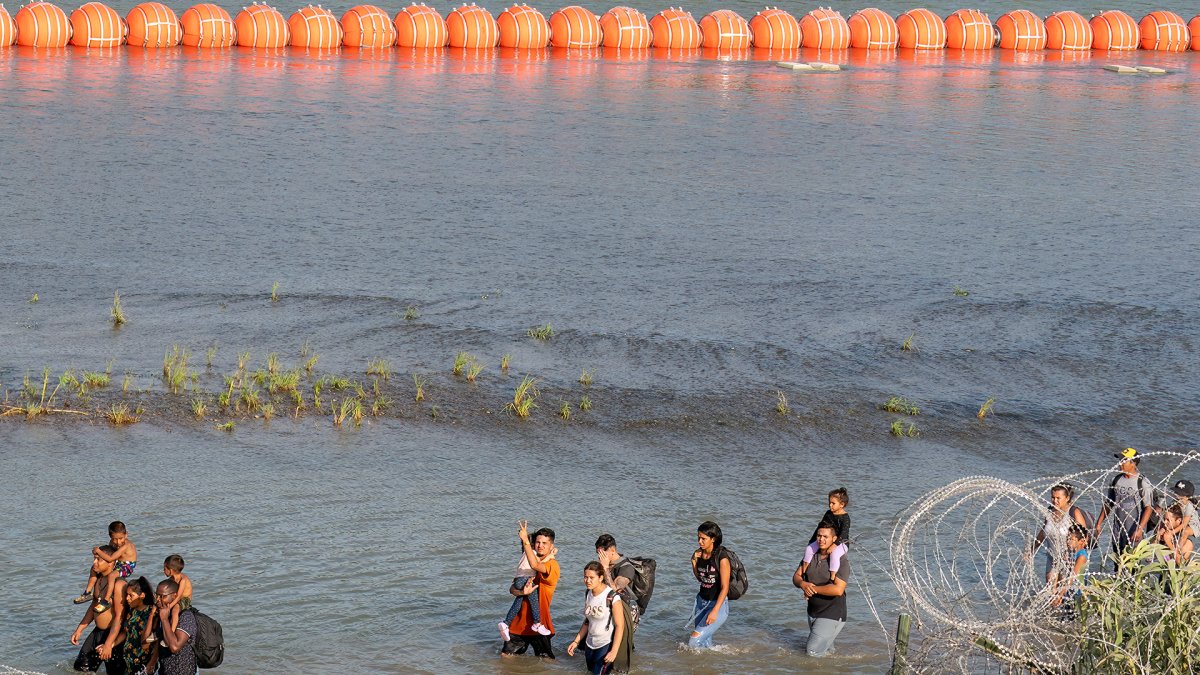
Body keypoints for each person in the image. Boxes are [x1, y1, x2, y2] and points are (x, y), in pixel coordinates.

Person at [500, 523, 560, 659]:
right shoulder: (527, 563)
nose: (540, 545)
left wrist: (525, 540)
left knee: (546, 660)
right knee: (506, 658)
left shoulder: (552, 565)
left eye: (544, 543)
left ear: (551, 546)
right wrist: (523, 593)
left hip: (539, 623)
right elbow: (512, 589)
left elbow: (536, 565)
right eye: (538, 542)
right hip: (519, 622)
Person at [794, 521, 850, 657]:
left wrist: (813, 589)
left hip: (832, 613)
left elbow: (838, 590)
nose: (821, 539)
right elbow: (796, 576)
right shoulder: (811, 555)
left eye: (825, 537)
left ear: (834, 539)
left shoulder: (840, 560)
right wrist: (803, 584)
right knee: (827, 654)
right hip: (812, 612)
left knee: (812, 652)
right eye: (819, 536)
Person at [1095, 447, 1155, 570]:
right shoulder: (1116, 480)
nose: (1120, 463)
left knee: (1132, 564)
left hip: (1134, 530)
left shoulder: (1142, 483)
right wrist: (1099, 523)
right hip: (1118, 529)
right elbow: (1108, 503)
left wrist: (1139, 529)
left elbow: (1148, 508)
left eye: (1124, 460)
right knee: (1118, 562)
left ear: (1133, 463)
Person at [70, 546, 128, 673]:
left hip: (115, 635)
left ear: (111, 562)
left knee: (115, 671)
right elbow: (93, 607)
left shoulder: (119, 585)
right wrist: (80, 629)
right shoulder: (98, 579)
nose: (94, 563)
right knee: (81, 667)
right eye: (94, 559)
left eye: (98, 560)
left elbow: (120, 617)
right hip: (98, 632)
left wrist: (109, 644)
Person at [565, 562, 628, 674]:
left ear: (600, 578)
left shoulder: (612, 597)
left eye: (591, 578)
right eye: (585, 577)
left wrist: (613, 651)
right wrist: (576, 641)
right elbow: (587, 622)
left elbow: (620, 626)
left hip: (605, 644)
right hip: (589, 644)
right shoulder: (588, 593)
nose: (587, 581)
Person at [1029, 483, 1091, 582]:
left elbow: (1084, 537)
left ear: (1067, 498)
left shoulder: (1074, 512)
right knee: (1051, 593)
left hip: (1069, 560)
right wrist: (1032, 549)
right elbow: (1043, 532)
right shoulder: (1049, 511)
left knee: (1064, 594)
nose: (1055, 501)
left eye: (1058, 498)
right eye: (1053, 497)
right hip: (1052, 558)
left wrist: (1074, 556)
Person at [75, 521, 137, 614]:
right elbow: (108, 552)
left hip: (127, 565)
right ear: (110, 537)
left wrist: (98, 551)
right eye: (114, 539)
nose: (118, 542)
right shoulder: (112, 543)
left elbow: (110, 558)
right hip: (118, 562)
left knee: (112, 575)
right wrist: (97, 553)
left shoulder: (126, 546)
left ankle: (106, 600)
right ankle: (87, 593)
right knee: (94, 569)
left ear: (126, 534)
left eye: (121, 538)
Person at [688, 521, 730, 649]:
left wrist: (715, 611)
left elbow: (725, 587)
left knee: (694, 641)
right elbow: (701, 579)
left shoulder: (722, 558)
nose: (699, 541)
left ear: (713, 539)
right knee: (705, 643)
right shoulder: (700, 554)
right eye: (698, 538)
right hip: (701, 602)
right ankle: (708, 667)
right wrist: (693, 561)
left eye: (703, 539)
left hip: (718, 604)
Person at [802, 488, 851, 583]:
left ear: (842, 505)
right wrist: (812, 541)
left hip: (842, 542)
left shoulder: (845, 518)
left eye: (833, 503)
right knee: (809, 549)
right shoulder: (828, 513)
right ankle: (804, 573)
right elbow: (819, 527)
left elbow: (844, 534)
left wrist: (834, 545)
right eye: (829, 502)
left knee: (834, 554)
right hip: (826, 539)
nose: (830, 505)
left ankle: (832, 578)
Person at [143, 556, 193, 646]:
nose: (163, 571)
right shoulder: (171, 579)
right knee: (158, 607)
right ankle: (157, 632)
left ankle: (171, 633)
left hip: (184, 599)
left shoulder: (183, 580)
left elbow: (178, 597)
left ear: (171, 570)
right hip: (174, 598)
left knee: (175, 610)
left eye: (164, 568)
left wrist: (169, 607)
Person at [110, 577, 156, 675]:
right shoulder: (132, 611)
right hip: (129, 662)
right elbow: (126, 632)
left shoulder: (152, 613)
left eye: (131, 595)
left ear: (142, 595)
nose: (127, 598)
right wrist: (110, 645)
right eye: (127, 594)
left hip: (144, 663)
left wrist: (152, 663)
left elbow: (156, 640)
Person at [153, 578, 198, 675]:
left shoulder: (186, 616)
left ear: (175, 596)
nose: (158, 600)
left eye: (162, 596)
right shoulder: (164, 613)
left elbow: (174, 647)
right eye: (156, 595)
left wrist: (164, 619)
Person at [595, 534, 639, 629]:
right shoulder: (605, 565)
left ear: (613, 550)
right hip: (608, 609)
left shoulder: (626, 568)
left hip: (626, 610)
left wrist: (605, 568)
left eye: (602, 553)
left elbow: (615, 590)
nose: (600, 557)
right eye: (598, 553)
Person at [1050, 524, 1090, 617]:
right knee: (1065, 618)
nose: (1068, 542)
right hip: (1068, 591)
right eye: (1067, 538)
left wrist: (1060, 595)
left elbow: (1072, 576)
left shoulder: (1082, 556)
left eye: (1071, 539)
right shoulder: (1069, 553)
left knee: (1072, 619)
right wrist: (1057, 589)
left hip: (1078, 595)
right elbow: (1062, 571)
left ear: (1081, 541)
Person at [1160, 479, 1198, 544]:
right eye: (1176, 492)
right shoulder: (1175, 502)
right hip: (1180, 521)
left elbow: (1184, 523)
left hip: (1192, 525)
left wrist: (1172, 532)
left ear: (1187, 497)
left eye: (1180, 494)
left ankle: (1178, 550)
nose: (1177, 496)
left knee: (1185, 532)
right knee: (1162, 530)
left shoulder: (1189, 507)